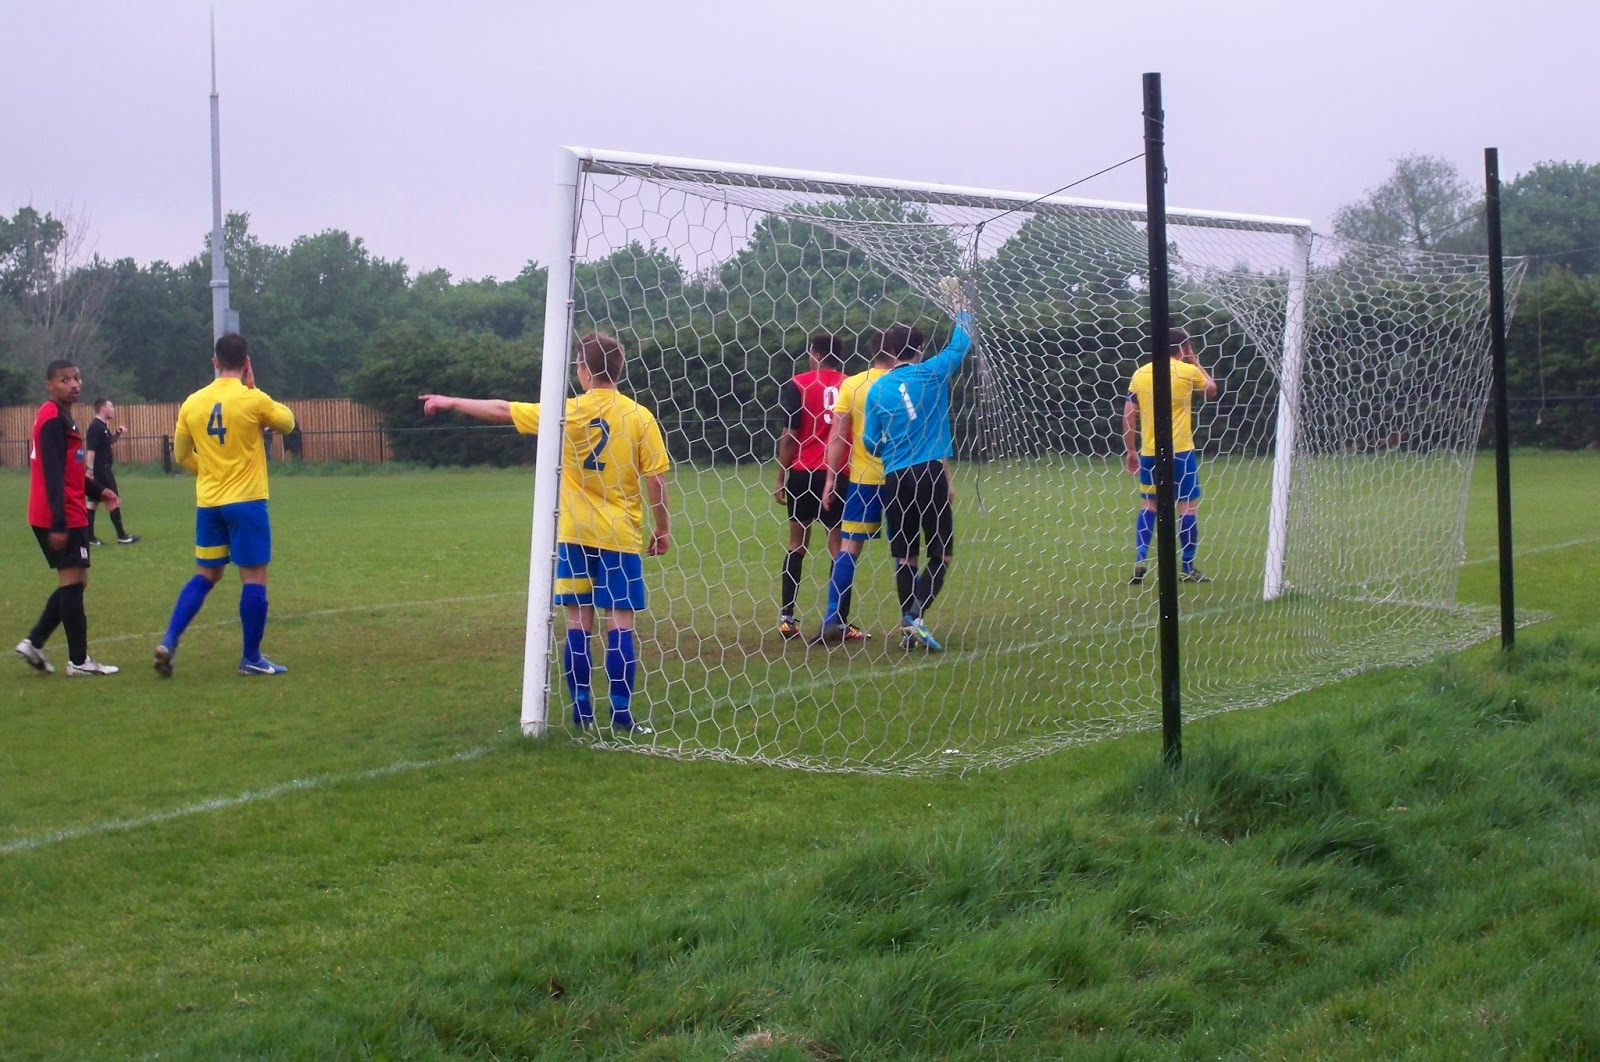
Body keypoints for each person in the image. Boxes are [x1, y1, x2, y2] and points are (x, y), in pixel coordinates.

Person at [420, 331, 670, 732]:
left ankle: (582, 711)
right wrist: (662, 529)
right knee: (620, 622)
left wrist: (450, 401)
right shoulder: (639, 417)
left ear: (585, 371)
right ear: (619, 371)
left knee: (577, 623)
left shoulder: (566, 412)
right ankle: (622, 714)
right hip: (620, 536)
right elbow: (655, 481)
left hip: (573, 533)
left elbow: (503, 410)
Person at [154, 333, 297, 678]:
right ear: (247, 362)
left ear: (214, 362)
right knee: (254, 577)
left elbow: (181, 454)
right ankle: (250, 657)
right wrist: (255, 389)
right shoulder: (252, 399)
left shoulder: (192, 403)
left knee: (206, 573)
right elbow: (288, 423)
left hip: (209, 503)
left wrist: (208, 471)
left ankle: (169, 640)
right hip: (246, 502)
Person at [860, 306, 975, 652]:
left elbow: (869, 442)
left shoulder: (877, 391)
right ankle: (914, 616)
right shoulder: (931, 373)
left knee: (906, 556)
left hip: (894, 478)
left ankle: (910, 626)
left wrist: (890, 447)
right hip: (929, 473)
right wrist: (961, 309)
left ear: (891, 353)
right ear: (920, 350)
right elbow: (961, 344)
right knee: (941, 554)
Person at [15, 360, 121, 676]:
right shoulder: (51, 419)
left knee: (75, 582)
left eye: (76, 378)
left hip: (64, 511)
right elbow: (51, 472)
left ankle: (34, 642)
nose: (73, 384)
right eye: (64, 380)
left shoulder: (64, 418)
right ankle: (79, 662)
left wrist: (99, 490)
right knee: (73, 583)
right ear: (50, 384)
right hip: (59, 514)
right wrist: (59, 523)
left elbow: (70, 470)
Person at [814, 332, 898, 643]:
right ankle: (911, 622)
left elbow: (837, 435)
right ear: (896, 351)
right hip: (902, 476)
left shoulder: (852, 384)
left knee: (848, 548)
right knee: (907, 553)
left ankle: (832, 617)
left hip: (863, 479)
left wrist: (831, 478)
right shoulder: (909, 382)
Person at [1122, 325, 1218, 585]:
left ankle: (1140, 558)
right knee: (1186, 506)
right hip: (1181, 452)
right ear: (1183, 348)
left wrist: (1131, 450)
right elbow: (1211, 389)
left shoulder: (1140, 374)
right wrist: (1194, 360)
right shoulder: (1188, 371)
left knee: (1148, 505)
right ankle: (1187, 566)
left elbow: (1129, 415)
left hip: (1151, 452)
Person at [773, 333, 847, 639]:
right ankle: (836, 618)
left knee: (797, 544)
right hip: (838, 473)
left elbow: (790, 435)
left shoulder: (798, 383)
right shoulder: (849, 384)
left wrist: (780, 476)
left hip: (803, 473)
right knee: (838, 548)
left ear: (815, 354)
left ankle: (787, 617)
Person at [85, 398, 139, 546]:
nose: (113, 409)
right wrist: (89, 470)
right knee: (113, 499)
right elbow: (91, 450)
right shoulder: (95, 427)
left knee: (93, 501)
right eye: (111, 406)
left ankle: (89, 537)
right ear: (103, 408)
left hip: (101, 469)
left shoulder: (102, 426)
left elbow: (107, 442)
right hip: (101, 470)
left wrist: (117, 434)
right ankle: (122, 536)